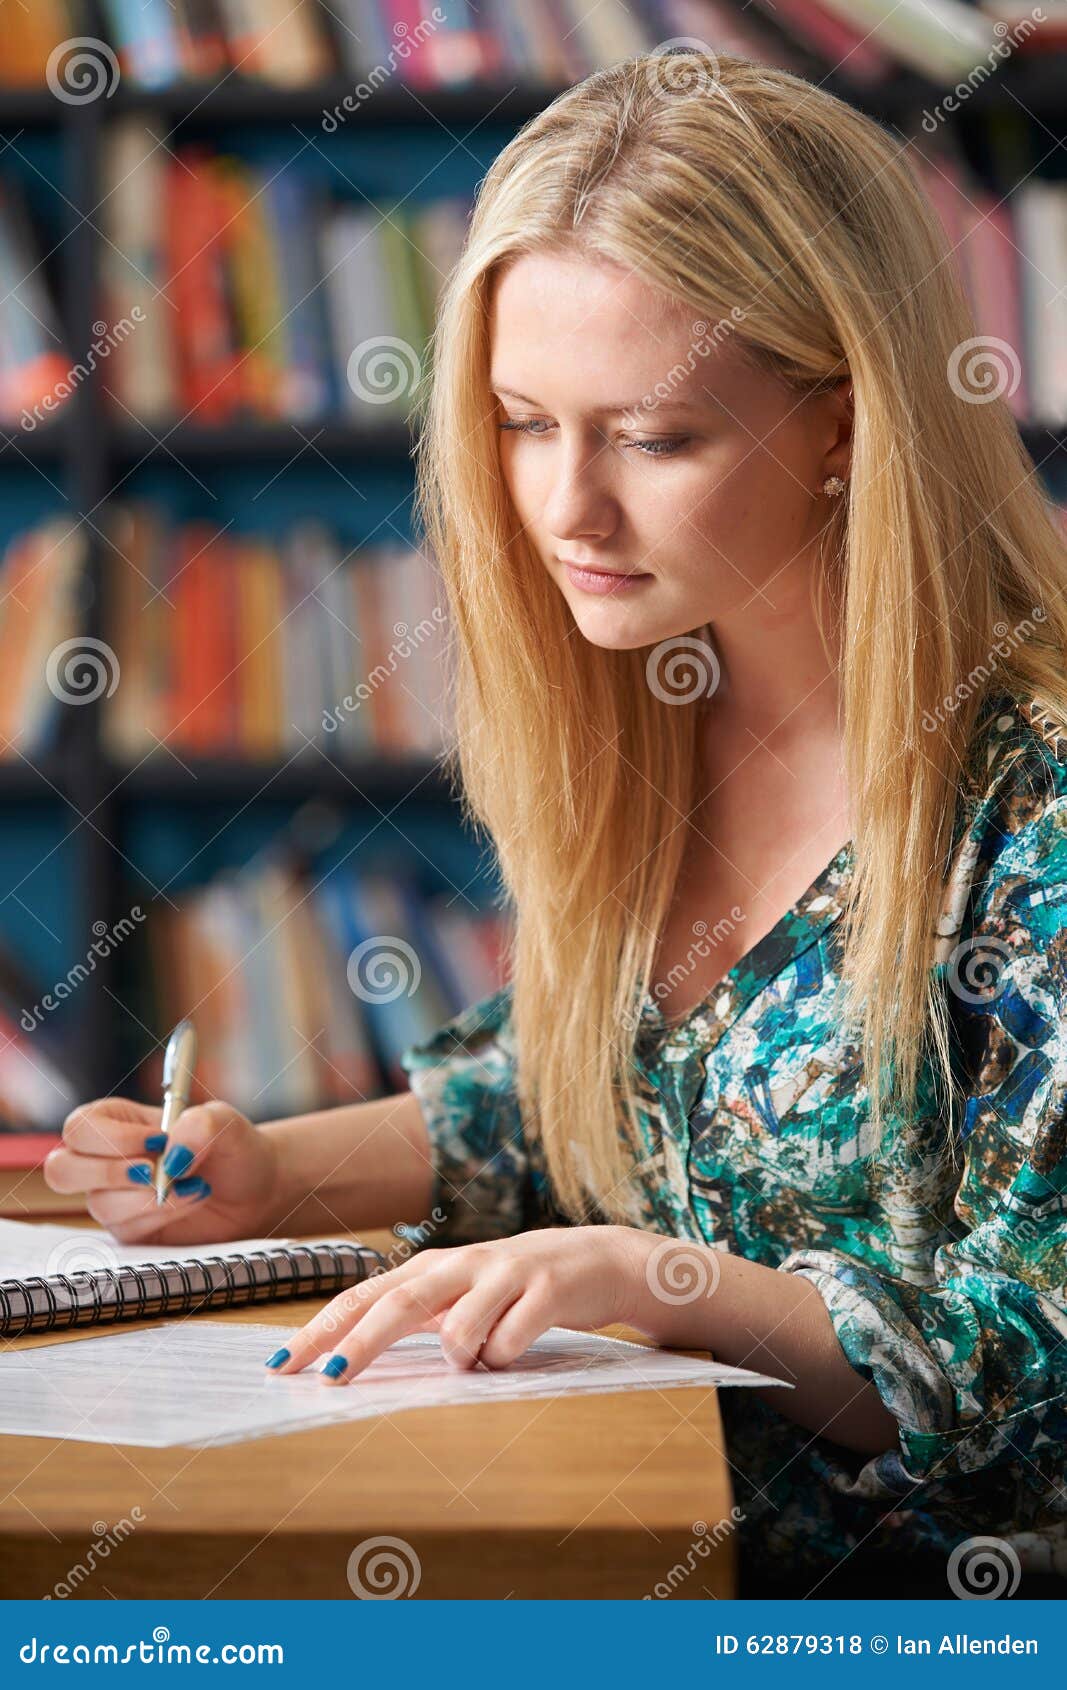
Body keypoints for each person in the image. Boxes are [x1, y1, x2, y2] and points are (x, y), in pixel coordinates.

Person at [46, 52, 1067, 1598]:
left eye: (653, 439)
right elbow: (566, 1096)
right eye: (525, 424)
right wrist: (261, 1177)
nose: (566, 508)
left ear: (849, 425)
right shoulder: (649, 709)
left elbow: (1036, 1373)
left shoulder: (1034, 794)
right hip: (630, 1547)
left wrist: (668, 1282)